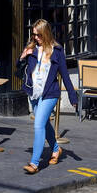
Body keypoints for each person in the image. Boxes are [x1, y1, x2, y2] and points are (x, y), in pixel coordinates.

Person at [19, 19, 78, 174]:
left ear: (45, 33)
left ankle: (34, 163)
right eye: (33, 34)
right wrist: (23, 56)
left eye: (38, 35)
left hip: (50, 93)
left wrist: (73, 97)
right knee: (44, 124)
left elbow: (65, 75)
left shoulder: (57, 51)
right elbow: (18, 70)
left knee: (38, 124)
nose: (35, 37)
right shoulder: (31, 48)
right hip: (35, 93)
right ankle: (56, 149)